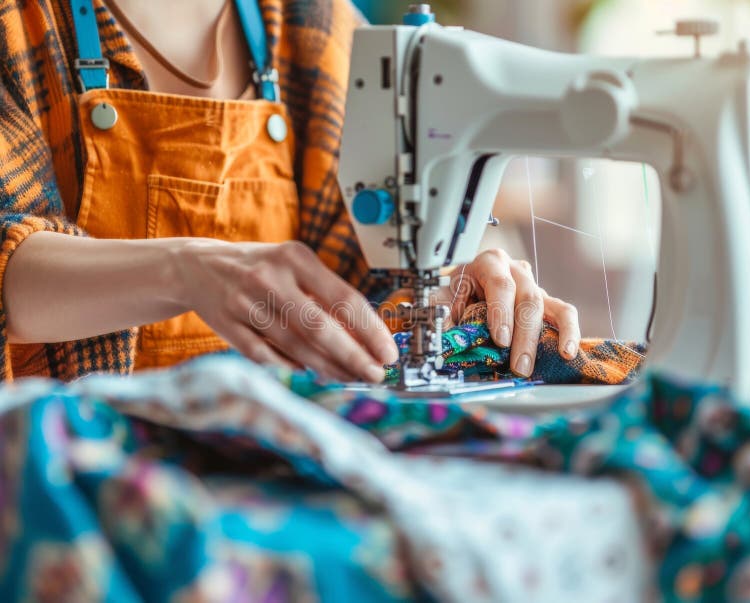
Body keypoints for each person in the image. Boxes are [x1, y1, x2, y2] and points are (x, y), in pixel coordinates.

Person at [0, 0, 581, 384]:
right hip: (61, 491)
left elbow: (369, 295)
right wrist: (186, 269)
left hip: (261, 478)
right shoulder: (20, 21)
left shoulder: (315, 25)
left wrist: (456, 282)